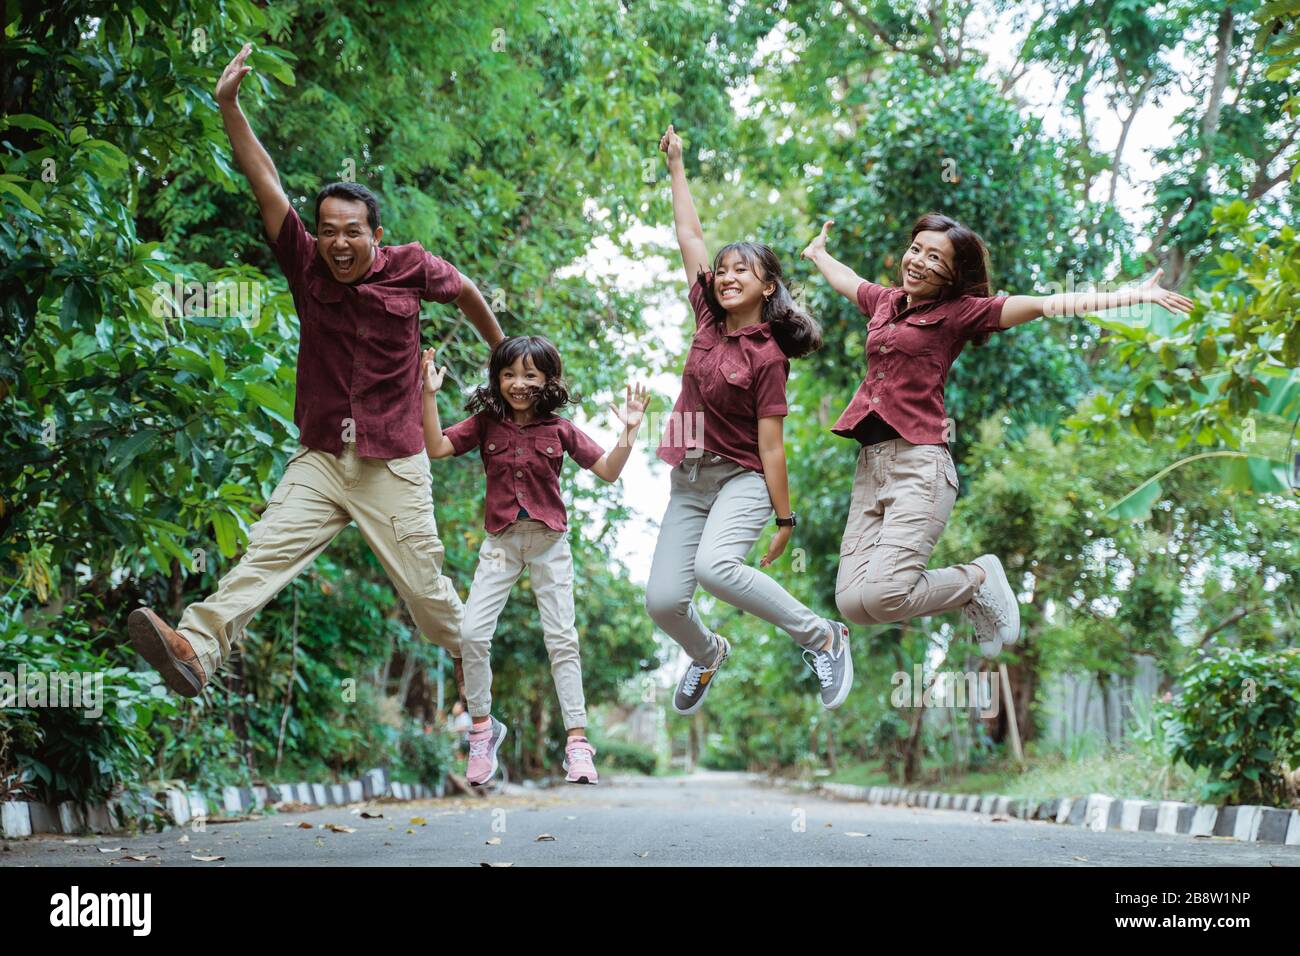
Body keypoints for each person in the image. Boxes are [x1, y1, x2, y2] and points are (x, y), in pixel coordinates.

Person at [126, 43, 504, 699]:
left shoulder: (411, 266)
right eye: (328, 229)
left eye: (351, 231)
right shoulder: (306, 265)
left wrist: (504, 364)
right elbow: (265, 180)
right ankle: (198, 647)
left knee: (430, 601)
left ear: (375, 233)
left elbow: (469, 292)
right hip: (324, 456)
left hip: (394, 462)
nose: (338, 243)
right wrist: (228, 106)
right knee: (262, 555)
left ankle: (478, 661)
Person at [802, 215, 1195, 655]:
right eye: (917, 249)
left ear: (954, 274)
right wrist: (819, 254)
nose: (919, 261)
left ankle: (977, 579)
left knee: (882, 595)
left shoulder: (961, 313)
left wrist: (1132, 296)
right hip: (871, 467)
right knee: (853, 603)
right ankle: (972, 587)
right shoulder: (885, 303)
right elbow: (848, 280)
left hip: (918, 465)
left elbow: (1047, 303)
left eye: (936, 258)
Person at [646, 125, 854, 716]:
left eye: (743, 271)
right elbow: (688, 231)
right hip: (688, 478)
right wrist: (678, 165)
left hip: (742, 477)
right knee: (662, 603)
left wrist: (784, 518)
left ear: (767, 286)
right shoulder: (707, 320)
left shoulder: (768, 355)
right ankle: (708, 652)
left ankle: (823, 636)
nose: (727, 276)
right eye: (722, 269)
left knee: (716, 569)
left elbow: (772, 448)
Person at [421, 336, 647, 786]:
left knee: (562, 639)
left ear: (547, 380)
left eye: (530, 375)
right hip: (501, 543)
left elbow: (607, 470)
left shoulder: (559, 429)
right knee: (471, 633)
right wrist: (428, 396)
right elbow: (437, 448)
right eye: (509, 374)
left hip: (548, 543)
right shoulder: (486, 423)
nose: (518, 384)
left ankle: (578, 744)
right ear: (497, 378)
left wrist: (629, 432)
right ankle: (483, 729)